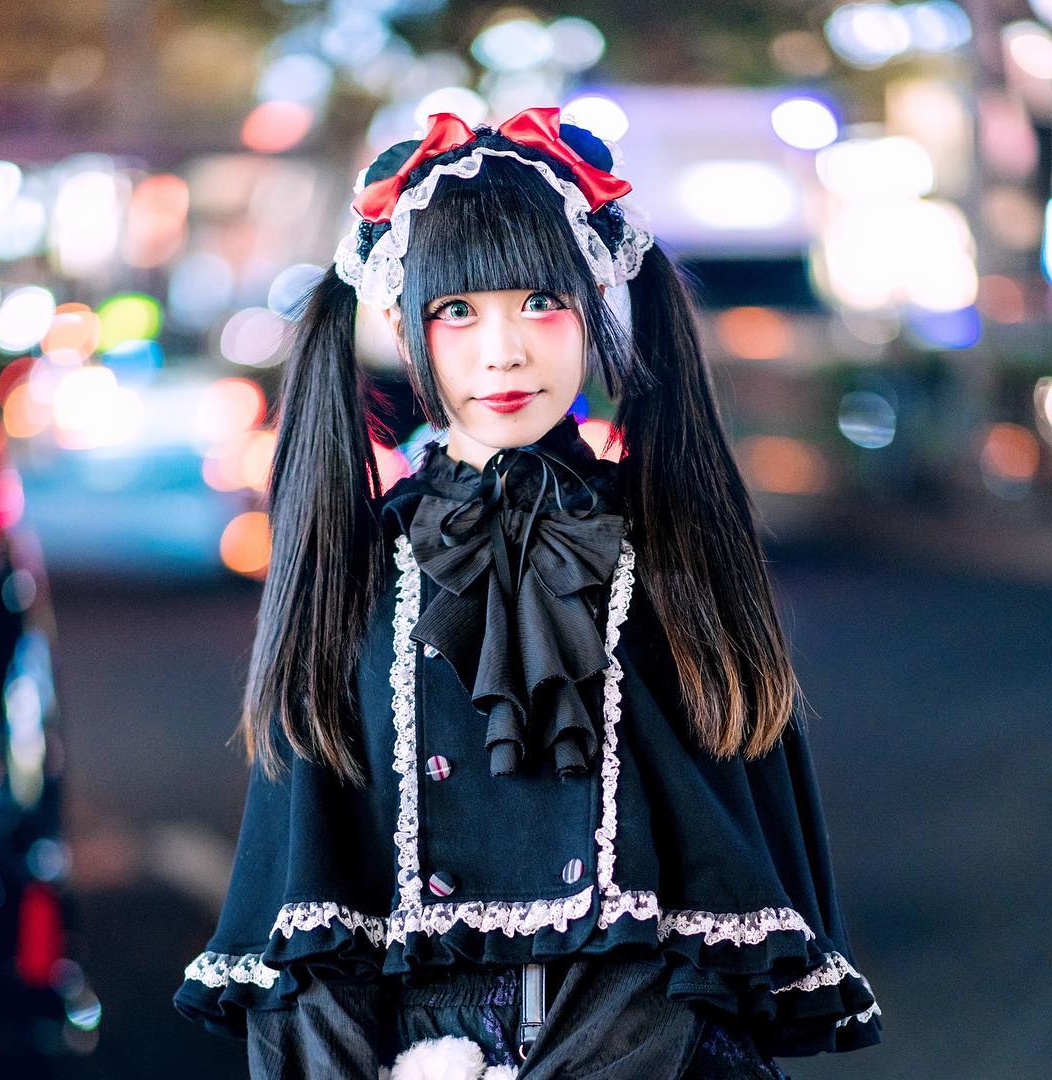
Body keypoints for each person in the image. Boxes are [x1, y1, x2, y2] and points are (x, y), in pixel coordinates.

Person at [173, 106, 882, 1078]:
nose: (503, 351)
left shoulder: (674, 558)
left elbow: (689, 957)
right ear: (395, 325)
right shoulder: (358, 575)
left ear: (598, 306)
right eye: (456, 310)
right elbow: (310, 939)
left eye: (541, 301)